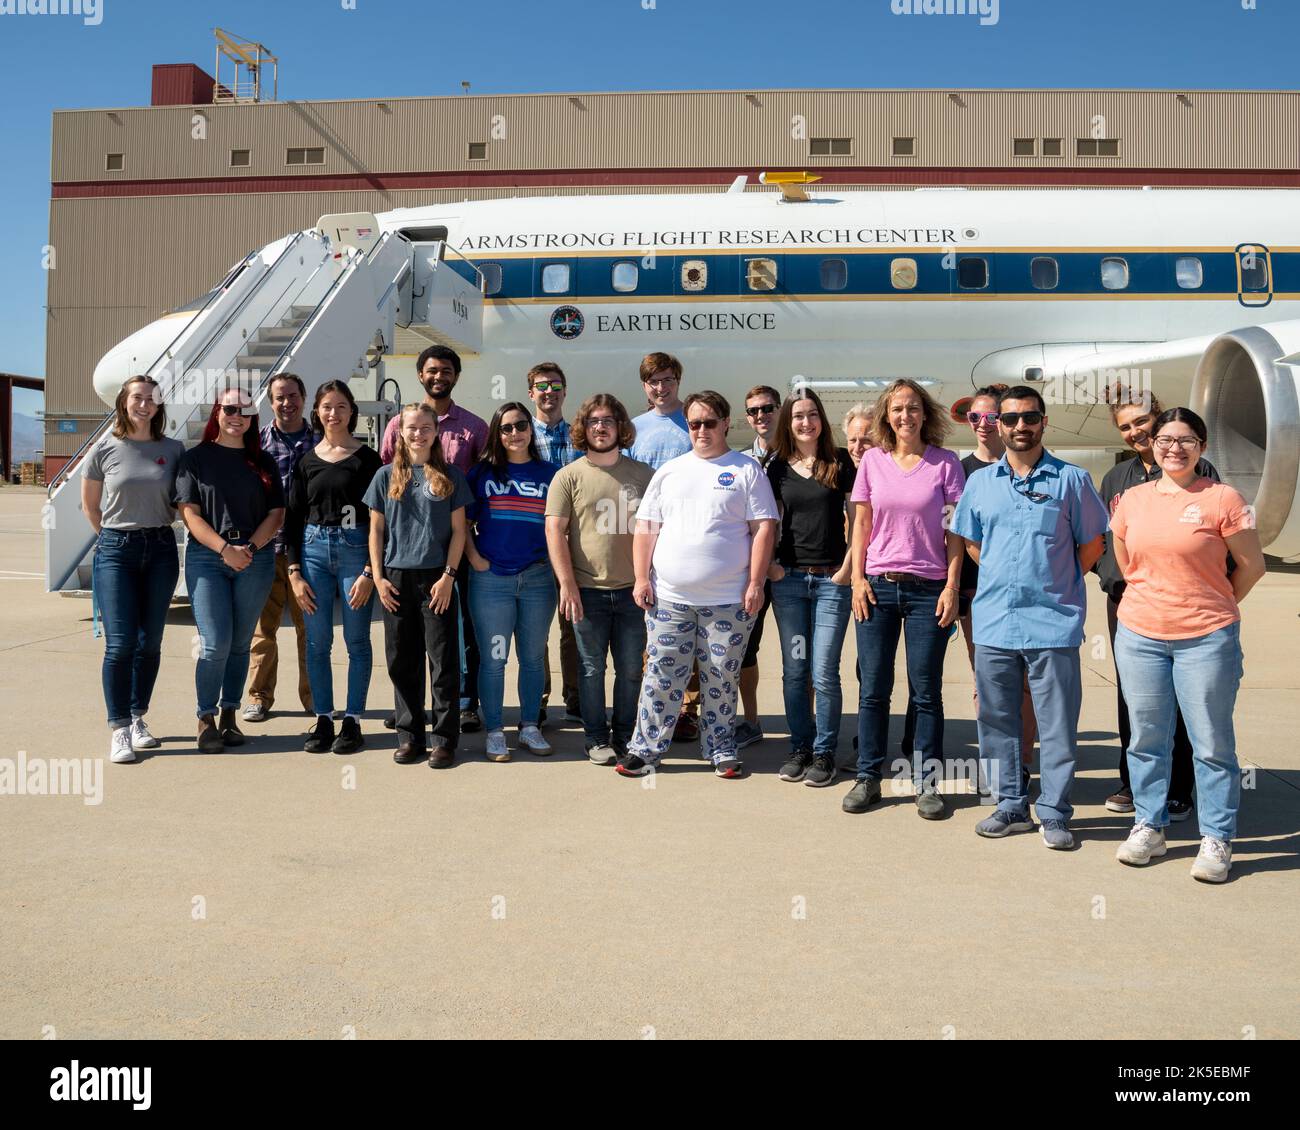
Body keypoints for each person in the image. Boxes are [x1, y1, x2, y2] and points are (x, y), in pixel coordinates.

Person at [950, 385, 1109, 850]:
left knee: (1056, 723)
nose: (1021, 426)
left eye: (1030, 418)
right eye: (1011, 418)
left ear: (1043, 423)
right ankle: (1010, 805)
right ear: (999, 425)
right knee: (996, 720)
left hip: (1053, 622)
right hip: (994, 621)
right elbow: (973, 543)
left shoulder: (1073, 480)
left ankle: (1055, 812)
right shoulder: (980, 483)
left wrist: (1055, 580)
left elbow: (1092, 545)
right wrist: (1005, 574)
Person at [1111, 408, 1264, 882]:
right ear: (1153, 444)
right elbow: (1125, 561)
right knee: (1146, 738)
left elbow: (1252, 565)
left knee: (1211, 743)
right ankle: (1149, 826)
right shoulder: (1132, 499)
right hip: (1140, 636)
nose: (1174, 448)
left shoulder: (1223, 498)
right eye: (1165, 439)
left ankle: (1216, 837)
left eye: (1185, 440)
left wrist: (1212, 604)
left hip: (1206, 639)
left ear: (1202, 447)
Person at [617, 391, 778, 780]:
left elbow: (763, 529)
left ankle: (721, 748)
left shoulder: (746, 470)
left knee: (720, 677)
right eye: (694, 424)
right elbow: (646, 527)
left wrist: (755, 583)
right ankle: (645, 749)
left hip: (728, 601)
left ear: (725, 424)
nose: (701, 430)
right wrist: (642, 578)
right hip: (670, 599)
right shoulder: (670, 472)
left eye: (709, 422)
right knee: (661, 675)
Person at [1096, 387, 1219, 820]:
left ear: (1159, 417)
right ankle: (1133, 784)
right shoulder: (1117, 478)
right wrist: (1110, 575)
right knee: (1134, 695)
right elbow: (1105, 538)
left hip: (1182, 603)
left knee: (1184, 696)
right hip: (1127, 603)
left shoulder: (1198, 469)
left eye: (1141, 422)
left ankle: (1179, 788)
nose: (1135, 432)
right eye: (1125, 427)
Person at [844, 380, 965, 819]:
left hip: (928, 590)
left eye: (913, 408)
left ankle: (926, 784)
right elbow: (861, 525)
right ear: (887, 416)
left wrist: (952, 586)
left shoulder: (945, 464)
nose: (905, 416)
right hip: (877, 588)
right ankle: (868, 777)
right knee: (874, 689)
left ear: (924, 414)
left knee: (926, 690)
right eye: (897, 409)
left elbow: (954, 532)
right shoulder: (873, 462)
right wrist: (857, 580)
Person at [380, 345, 488, 734]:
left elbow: (482, 482)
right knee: (406, 644)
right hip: (407, 551)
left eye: (446, 370)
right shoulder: (397, 424)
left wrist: (462, 556)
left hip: (456, 547)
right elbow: (390, 481)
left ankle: (465, 705)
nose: (438, 376)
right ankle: (409, 712)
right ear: (420, 375)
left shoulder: (475, 427)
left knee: (460, 634)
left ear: (456, 376)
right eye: (431, 370)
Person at [545, 394, 654, 764]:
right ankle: (595, 738)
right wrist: (567, 584)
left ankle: (624, 736)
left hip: (633, 592)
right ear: (583, 427)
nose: (601, 427)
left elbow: (658, 529)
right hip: (587, 591)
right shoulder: (568, 476)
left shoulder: (644, 475)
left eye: (608, 420)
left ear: (621, 427)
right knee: (591, 669)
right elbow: (554, 532)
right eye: (593, 421)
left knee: (631, 669)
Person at [175, 386, 285, 752]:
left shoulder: (263, 461)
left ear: (253, 418)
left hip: (255, 558)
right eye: (230, 409)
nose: (237, 416)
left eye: (245, 410)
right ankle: (205, 717)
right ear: (217, 413)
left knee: (240, 643)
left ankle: (229, 715)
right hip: (209, 558)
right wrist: (225, 549)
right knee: (215, 643)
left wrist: (248, 549)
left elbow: (276, 514)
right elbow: (190, 514)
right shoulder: (195, 459)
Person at [81, 375, 183, 763]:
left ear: (159, 406)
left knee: (150, 642)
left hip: (161, 549)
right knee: (121, 643)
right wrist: (114, 539)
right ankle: (119, 728)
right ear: (124, 402)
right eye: (137, 398)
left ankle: (138, 717)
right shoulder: (104, 447)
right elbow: (91, 507)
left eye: (151, 399)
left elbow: (182, 502)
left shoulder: (173, 449)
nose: (144, 404)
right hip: (116, 551)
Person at [366, 403, 473, 768]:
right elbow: (376, 531)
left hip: (436, 580)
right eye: (412, 427)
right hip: (396, 578)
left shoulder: (450, 475)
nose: (419, 433)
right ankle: (409, 735)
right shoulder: (384, 476)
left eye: (426, 427)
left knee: (442, 661)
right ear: (401, 432)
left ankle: (443, 739)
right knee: (402, 660)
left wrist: (448, 576)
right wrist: (378, 578)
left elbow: (459, 532)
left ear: (436, 432)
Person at [285, 381, 382, 755]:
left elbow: (379, 519)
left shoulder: (368, 459)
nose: (334, 413)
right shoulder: (306, 461)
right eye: (327, 406)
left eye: (341, 406)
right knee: (317, 641)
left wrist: (370, 572)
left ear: (351, 411)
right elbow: (293, 519)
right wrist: (294, 572)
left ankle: (352, 721)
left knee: (356, 640)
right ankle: (324, 718)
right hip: (313, 554)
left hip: (355, 550)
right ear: (317, 412)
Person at [765, 390, 856, 786]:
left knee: (824, 671)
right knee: (795, 669)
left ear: (822, 419)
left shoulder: (841, 462)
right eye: (798, 416)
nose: (806, 422)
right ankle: (800, 746)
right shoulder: (776, 468)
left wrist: (848, 568)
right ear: (788, 422)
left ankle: (824, 752)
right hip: (790, 584)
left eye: (812, 414)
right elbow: (767, 522)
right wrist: (770, 566)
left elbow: (858, 519)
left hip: (831, 583)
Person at [464, 403, 559, 762]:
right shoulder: (482, 473)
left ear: (531, 430)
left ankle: (529, 726)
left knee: (532, 657)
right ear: (497, 434)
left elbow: (560, 527)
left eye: (521, 425)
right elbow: (462, 523)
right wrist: (475, 559)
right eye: (506, 428)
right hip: (491, 583)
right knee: (494, 659)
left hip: (537, 579)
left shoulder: (551, 474)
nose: (515, 433)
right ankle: (494, 732)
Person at [956, 387, 1037, 791]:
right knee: (986, 682)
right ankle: (996, 765)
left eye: (992, 417)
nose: (984, 425)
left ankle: (1021, 762)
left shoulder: (1026, 463)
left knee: (1027, 684)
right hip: (978, 593)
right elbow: (959, 536)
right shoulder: (961, 471)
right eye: (976, 417)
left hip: (1030, 595)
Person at [627, 351, 700, 743]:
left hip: (691, 540)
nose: (661, 387)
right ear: (644, 386)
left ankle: (687, 712)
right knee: (653, 634)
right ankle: (655, 710)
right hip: (648, 539)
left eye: (667, 379)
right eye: (653, 381)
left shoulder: (694, 422)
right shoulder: (634, 429)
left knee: (691, 633)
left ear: (678, 381)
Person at [244, 372, 314, 722]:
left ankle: (315, 698)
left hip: (308, 551)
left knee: (310, 630)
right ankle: (258, 697)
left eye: (293, 396)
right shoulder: (255, 446)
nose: (287, 403)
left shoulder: (321, 442)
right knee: (263, 630)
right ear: (270, 403)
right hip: (265, 551)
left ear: (304, 398)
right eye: (280, 397)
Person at [526, 361, 581, 725]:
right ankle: (538, 698)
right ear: (531, 393)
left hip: (574, 547)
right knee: (535, 631)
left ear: (564, 390)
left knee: (573, 626)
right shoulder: (519, 434)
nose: (549, 392)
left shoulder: (580, 436)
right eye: (542, 386)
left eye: (556, 385)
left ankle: (575, 698)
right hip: (532, 547)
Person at [733, 383, 783, 751]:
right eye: (754, 411)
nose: (761, 416)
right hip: (753, 571)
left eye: (767, 408)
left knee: (801, 655)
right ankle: (751, 721)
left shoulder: (798, 457)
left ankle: (806, 724)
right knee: (745, 649)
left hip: (791, 569)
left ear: (779, 410)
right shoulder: (740, 463)